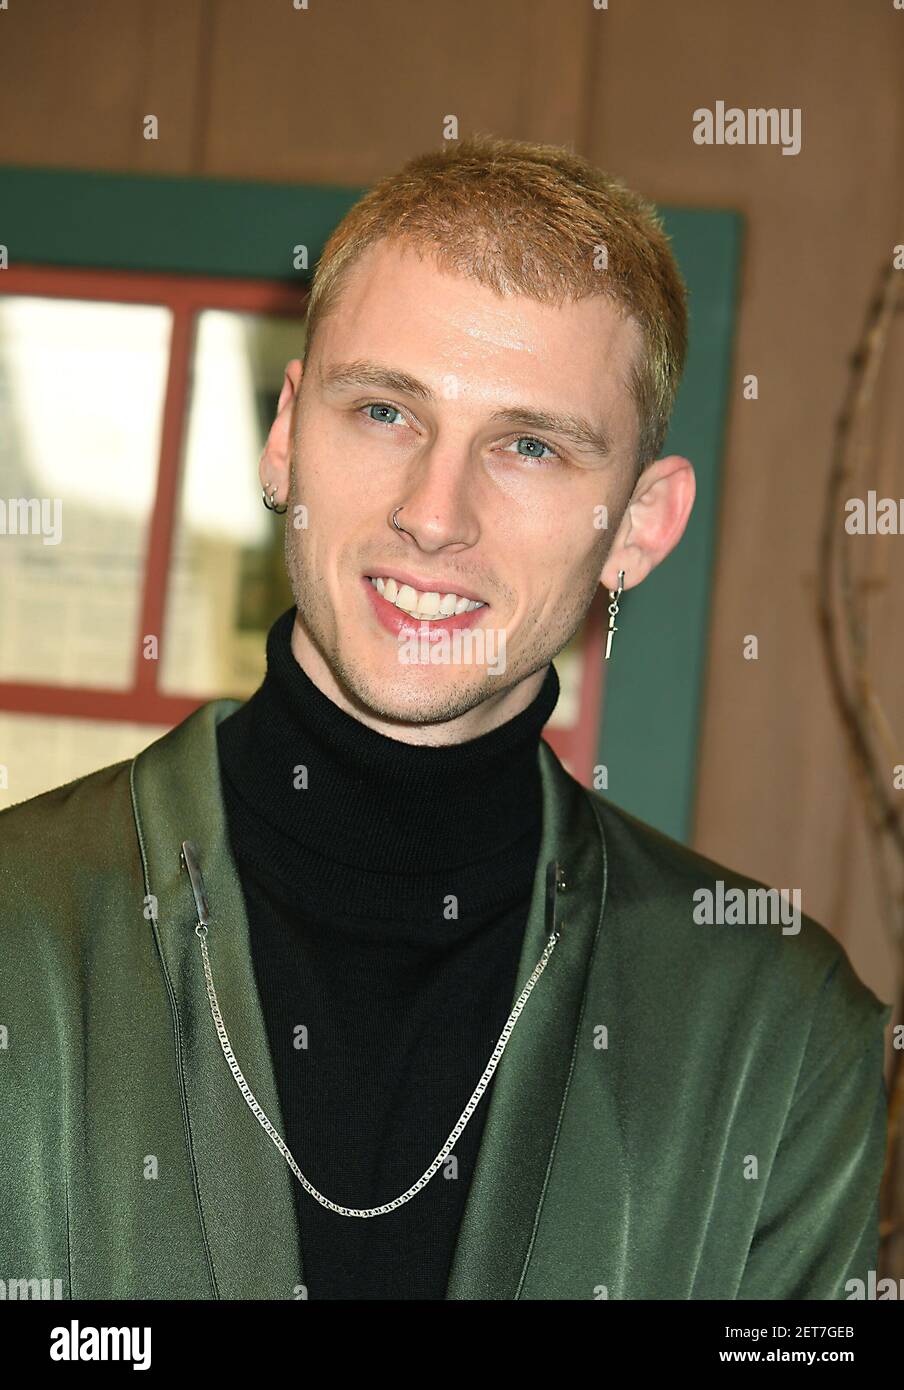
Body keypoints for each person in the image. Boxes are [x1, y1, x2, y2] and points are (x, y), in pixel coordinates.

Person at [0, 134, 889, 1301]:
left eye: (528, 446)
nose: (433, 512)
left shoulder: (775, 1041)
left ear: (638, 527)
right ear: (284, 437)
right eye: (382, 411)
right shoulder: (24, 936)